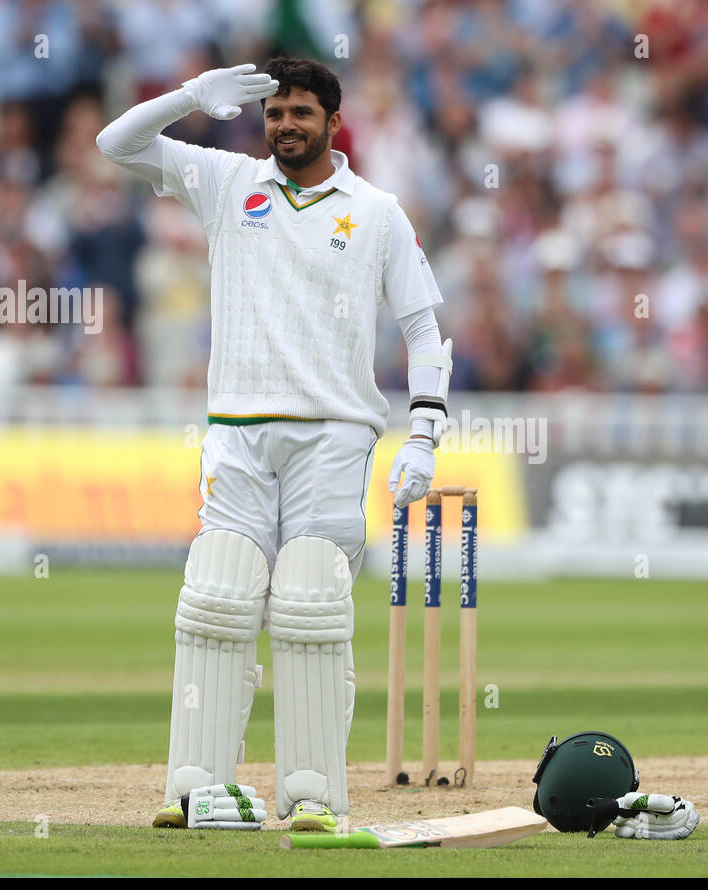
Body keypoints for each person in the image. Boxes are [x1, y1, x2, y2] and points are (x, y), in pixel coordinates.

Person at [96, 59, 451, 831]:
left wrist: (424, 434)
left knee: (308, 600)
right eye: (277, 111)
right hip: (237, 430)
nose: (287, 124)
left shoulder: (378, 211)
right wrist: (191, 98)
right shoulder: (230, 183)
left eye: (302, 112)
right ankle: (198, 788)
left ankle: (314, 795)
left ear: (333, 119)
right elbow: (116, 143)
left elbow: (424, 329)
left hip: (332, 432)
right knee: (218, 594)